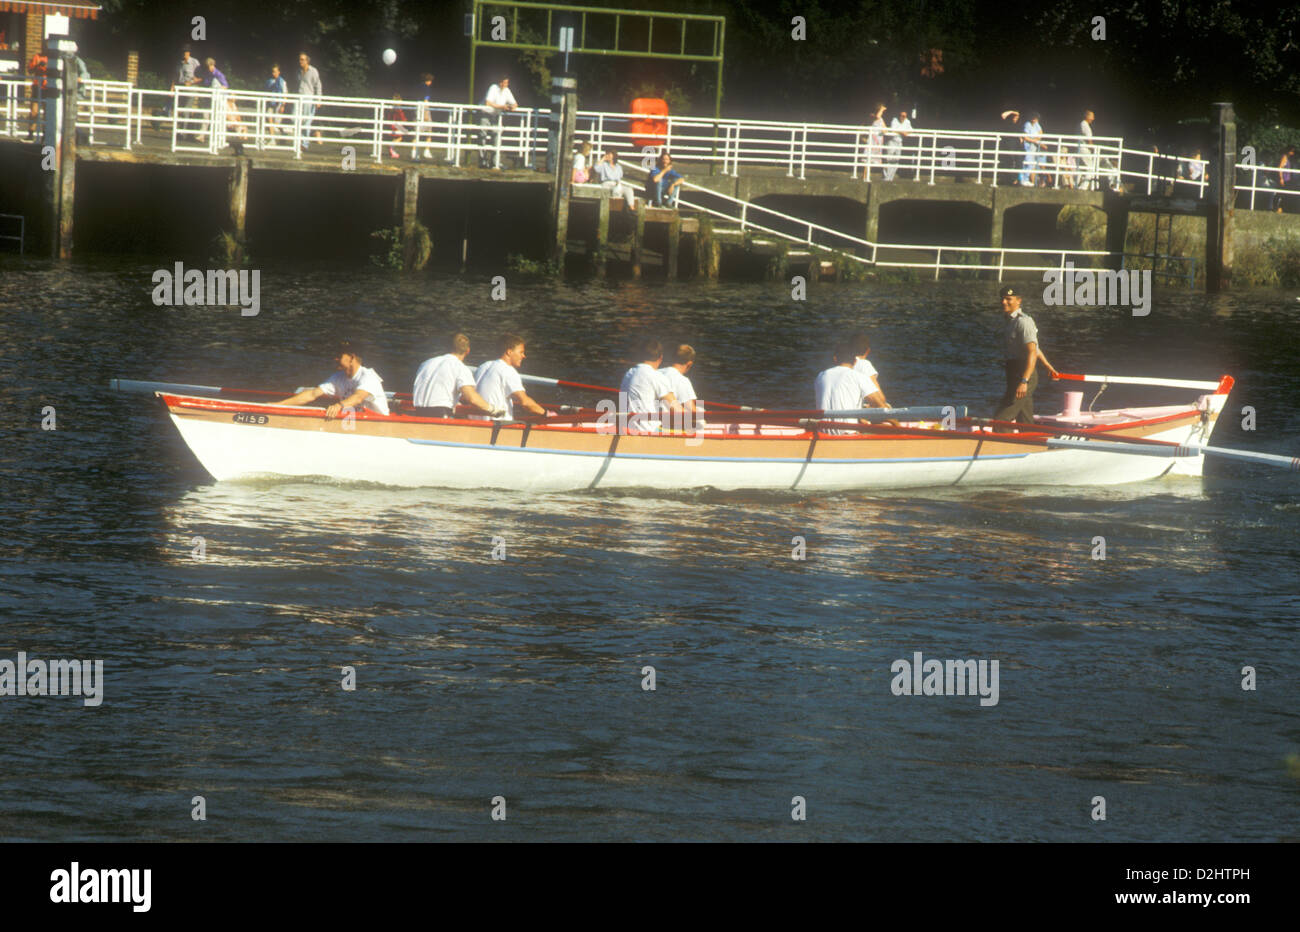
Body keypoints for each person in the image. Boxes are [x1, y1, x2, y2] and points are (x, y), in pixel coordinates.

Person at [993, 286, 1057, 426]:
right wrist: (1047, 365)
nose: (1004, 302)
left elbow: (1032, 351)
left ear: (1018, 301)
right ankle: (1030, 440)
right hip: (1013, 373)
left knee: (1000, 420)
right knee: (1025, 418)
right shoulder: (1010, 321)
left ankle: (1002, 445)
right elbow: (1035, 348)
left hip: (1024, 375)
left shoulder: (1024, 322)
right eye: (1002, 299)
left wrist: (1024, 381)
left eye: (1008, 299)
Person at [274, 341, 390, 418]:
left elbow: (358, 398)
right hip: (354, 420)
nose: (335, 358)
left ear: (352, 358)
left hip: (379, 423)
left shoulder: (368, 376)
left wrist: (339, 406)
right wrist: (278, 406)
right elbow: (312, 394)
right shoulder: (338, 377)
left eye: (339, 356)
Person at [412, 332, 501, 418]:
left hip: (418, 412)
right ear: (467, 351)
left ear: (448, 348)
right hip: (440, 414)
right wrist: (493, 410)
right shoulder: (460, 367)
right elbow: (471, 398)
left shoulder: (426, 363)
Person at [814, 337, 888, 433]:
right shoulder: (859, 377)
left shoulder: (820, 376)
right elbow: (880, 405)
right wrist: (896, 424)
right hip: (849, 435)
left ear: (835, 359)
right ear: (855, 361)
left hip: (823, 433)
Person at [474, 334, 546, 419]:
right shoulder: (508, 370)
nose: (524, 356)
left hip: (474, 424)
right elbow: (525, 403)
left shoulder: (483, 366)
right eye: (521, 352)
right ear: (509, 352)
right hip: (496, 425)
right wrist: (546, 414)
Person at [619, 338, 683, 432]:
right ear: (660, 358)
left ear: (640, 356)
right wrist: (697, 418)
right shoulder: (655, 375)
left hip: (626, 428)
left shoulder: (629, 373)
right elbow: (677, 410)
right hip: (648, 430)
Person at [658, 344, 703, 428]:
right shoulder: (683, 380)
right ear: (689, 364)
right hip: (668, 425)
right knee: (700, 414)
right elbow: (691, 410)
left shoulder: (657, 372)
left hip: (653, 419)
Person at [477, 74, 517, 169]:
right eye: (505, 82)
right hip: (485, 114)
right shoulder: (493, 88)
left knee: (496, 137)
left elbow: (515, 104)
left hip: (496, 116)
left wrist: (512, 108)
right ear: (500, 82)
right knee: (482, 136)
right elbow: (488, 102)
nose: (506, 84)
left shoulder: (507, 91)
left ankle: (494, 162)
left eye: (507, 82)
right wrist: (502, 107)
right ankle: (482, 161)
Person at [297, 52, 323, 150]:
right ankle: (305, 139)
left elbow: (318, 85)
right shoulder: (299, 72)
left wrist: (318, 99)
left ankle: (304, 143)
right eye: (300, 59)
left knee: (306, 121)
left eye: (302, 59)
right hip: (299, 99)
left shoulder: (313, 71)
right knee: (296, 119)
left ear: (307, 61)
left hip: (309, 99)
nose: (300, 61)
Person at [412, 73, 436, 160]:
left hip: (416, 107)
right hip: (423, 108)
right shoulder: (427, 88)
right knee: (429, 130)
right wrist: (426, 113)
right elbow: (426, 100)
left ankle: (414, 151)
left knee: (416, 131)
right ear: (429, 81)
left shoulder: (418, 86)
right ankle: (426, 150)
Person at [883, 108, 912, 181]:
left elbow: (911, 130)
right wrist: (903, 132)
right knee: (888, 159)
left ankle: (890, 178)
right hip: (892, 142)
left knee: (896, 160)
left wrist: (906, 133)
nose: (903, 117)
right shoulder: (894, 120)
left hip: (899, 142)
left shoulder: (907, 122)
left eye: (904, 116)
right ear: (899, 115)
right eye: (901, 116)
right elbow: (893, 130)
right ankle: (886, 177)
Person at [26, 46, 48, 139]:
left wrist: (46, 67)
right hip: (37, 86)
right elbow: (30, 70)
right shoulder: (37, 57)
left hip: (47, 87)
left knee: (47, 112)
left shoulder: (52, 59)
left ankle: (45, 134)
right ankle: (31, 133)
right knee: (34, 111)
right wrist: (37, 65)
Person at [862, 102, 887, 180]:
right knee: (868, 159)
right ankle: (864, 176)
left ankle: (866, 175)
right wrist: (882, 109)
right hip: (873, 140)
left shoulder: (881, 119)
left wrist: (883, 129)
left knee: (872, 159)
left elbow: (885, 130)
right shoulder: (874, 117)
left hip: (878, 141)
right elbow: (878, 116)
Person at [1019, 112, 1043, 186]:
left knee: (1031, 164)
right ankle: (1024, 179)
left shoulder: (1036, 124)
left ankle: (1025, 179)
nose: (1034, 120)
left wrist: (1035, 139)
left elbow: (1041, 133)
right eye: (1033, 119)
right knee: (1028, 163)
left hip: (1034, 148)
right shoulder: (1027, 125)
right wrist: (1035, 140)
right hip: (1028, 147)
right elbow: (1025, 137)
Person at [1271, 145, 1296, 213]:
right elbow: (1280, 167)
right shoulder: (1284, 157)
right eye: (1292, 151)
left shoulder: (1288, 158)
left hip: (1287, 180)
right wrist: (1281, 178)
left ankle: (1279, 208)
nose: (1293, 153)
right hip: (1284, 180)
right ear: (1288, 151)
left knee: (1283, 194)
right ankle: (1276, 208)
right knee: (1280, 194)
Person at [264, 64, 287, 136]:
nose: (274, 73)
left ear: (279, 72)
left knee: (277, 123)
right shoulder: (269, 81)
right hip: (271, 104)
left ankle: (283, 133)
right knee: (269, 118)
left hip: (279, 104)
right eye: (273, 72)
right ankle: (272, 138)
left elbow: (285, 94)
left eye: (275, 71)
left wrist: (283, 105)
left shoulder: (282, 82)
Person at [384, 90, 408, 160]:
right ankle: (391, 147)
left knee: (397, 137)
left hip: (394, 124)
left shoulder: (393, 108)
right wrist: (404, 120)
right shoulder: (398, 109)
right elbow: (401, 116)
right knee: (400, 137)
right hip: (397, 125)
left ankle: (392, 149)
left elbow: (389, 117)